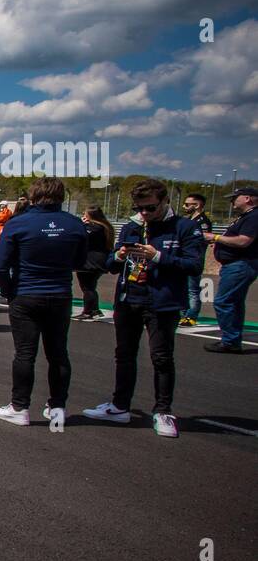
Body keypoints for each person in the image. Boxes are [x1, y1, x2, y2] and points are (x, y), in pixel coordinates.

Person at [81, 178, 204, 437]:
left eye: (150, 208)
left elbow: (194, 265)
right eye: (140, 208)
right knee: (124, 354)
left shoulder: (185, 227)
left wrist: (158, 256)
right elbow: (110, 264)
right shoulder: (131, 227)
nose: (145, 213)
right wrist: (119, 256)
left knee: (161, 357)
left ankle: (163, 411)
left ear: (165, 201)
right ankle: (120, 405)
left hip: (162, 302)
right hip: (129, 298)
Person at [0, 177, 87, 429]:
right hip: (60, 294)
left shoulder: (18, 224)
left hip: (26, 293)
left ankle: (19, 407)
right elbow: (80, 261)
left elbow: (0, 264)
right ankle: (57, 408)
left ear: (32, 196)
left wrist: (8, 290)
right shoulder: (75, 225)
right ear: (61, 197)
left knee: (25, 353)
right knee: (58, 354)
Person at [201, 187, 258, 353]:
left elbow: (243, 241)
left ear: (247, 198)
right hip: (237, 264)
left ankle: (230, 340)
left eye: (235, 197)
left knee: (223, 301)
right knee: (234, 302)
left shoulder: (253, 217)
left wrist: (216, 237)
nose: (232, 201)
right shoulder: (247, 217)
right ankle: (232, 339)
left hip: (241, 264)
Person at [74, 206, 114, 320]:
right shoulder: (103, 227)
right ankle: (95, 309)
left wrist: (81, 224)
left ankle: (88, 311)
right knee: (90, 286)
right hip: (96, 260)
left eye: (85, 214)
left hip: (92, 261)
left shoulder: (96, 228)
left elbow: (82, 235)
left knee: (87, 287)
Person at [179, 192, 213, 326]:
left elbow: (202, 240)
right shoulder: (187, 220)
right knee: (182, 286)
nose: (184, 206)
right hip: (182, 258)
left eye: (187, 204)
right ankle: (182, 313)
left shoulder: (203, 222)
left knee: (192, 288)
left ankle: (191, 315)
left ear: (197, 205)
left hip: (194, 259)